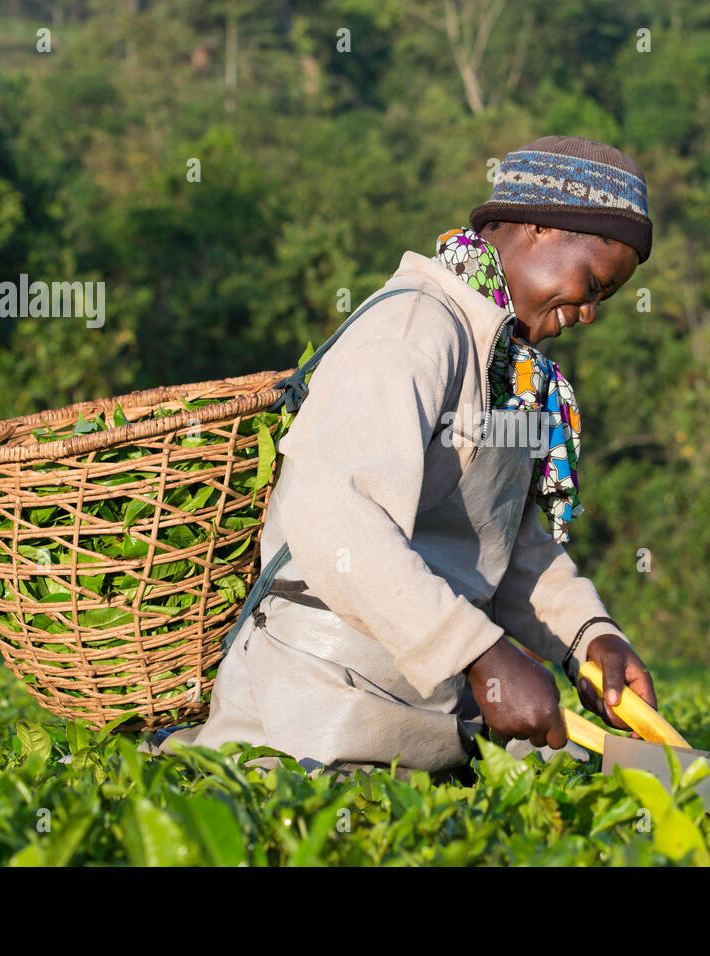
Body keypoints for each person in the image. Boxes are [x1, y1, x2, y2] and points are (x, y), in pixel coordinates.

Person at [162, 136, 661, 781]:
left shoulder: (507, 369)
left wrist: (590, 639)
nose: (590, 313)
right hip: (314, 715)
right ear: (538, 225)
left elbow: (501, 546)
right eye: (591, 284)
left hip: (427, 716)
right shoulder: (415, 330)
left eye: (606, 299)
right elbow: (335, 520)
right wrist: (483, 656)